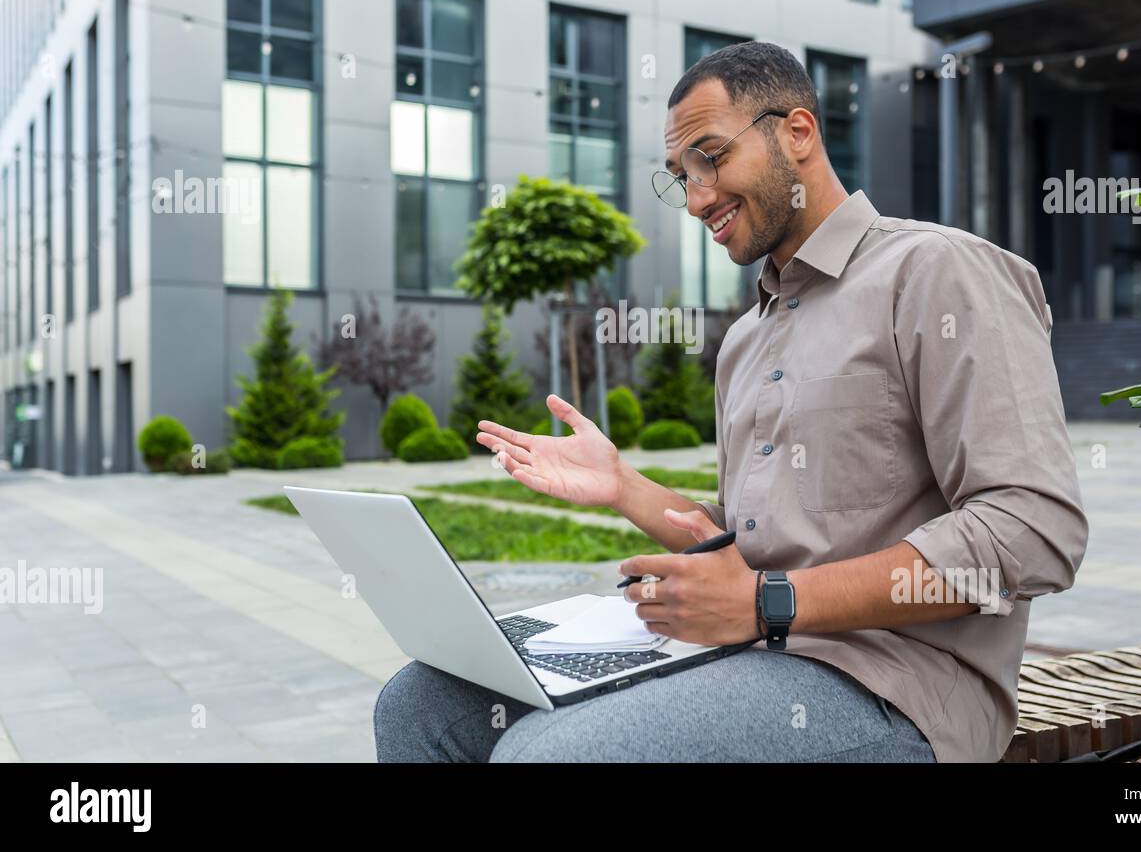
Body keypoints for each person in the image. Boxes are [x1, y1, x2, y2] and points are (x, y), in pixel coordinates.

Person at [374, 41, 1088, 763]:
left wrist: (767, 604)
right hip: (756, 652)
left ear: (797, 133)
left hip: (898, 688)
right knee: (422, 703)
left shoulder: (937, 271)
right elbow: (755, 544)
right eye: (681, 176)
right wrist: (622, 486)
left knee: (550, 755)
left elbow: (1034, 532)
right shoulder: (746, 339)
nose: (697, 198)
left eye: (711, 158)